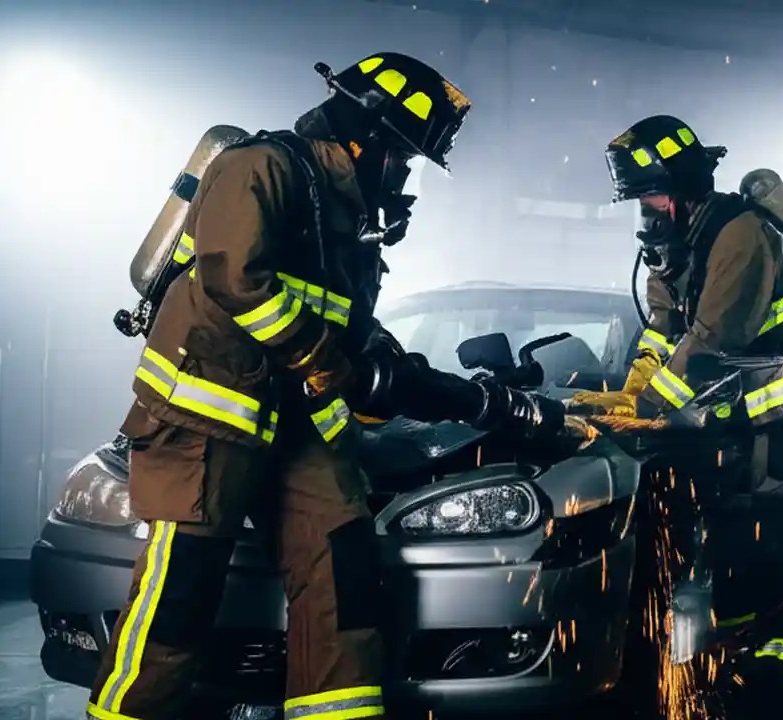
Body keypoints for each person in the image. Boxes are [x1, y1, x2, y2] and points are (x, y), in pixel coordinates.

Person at [87, 53, 563, 720]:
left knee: (343, 574)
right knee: (181, 593)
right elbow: (234, 279)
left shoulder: (351, 234)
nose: (404, 179)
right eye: (403, 160)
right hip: (206, 422)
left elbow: (361, 346)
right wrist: (317, 356)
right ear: (366, 138)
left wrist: (479, 400)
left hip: (299, 430)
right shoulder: (262, 168)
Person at [570, 114, 783, 718]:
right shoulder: (676, 243)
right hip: (745, 415)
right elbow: (662, 333)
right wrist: (630, 393)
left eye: (649, 194)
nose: (643, 209)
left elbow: (711, 340)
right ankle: (745, 652)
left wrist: (648, 412)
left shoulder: (741, 235)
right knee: (739, 537)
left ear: (680, 188)